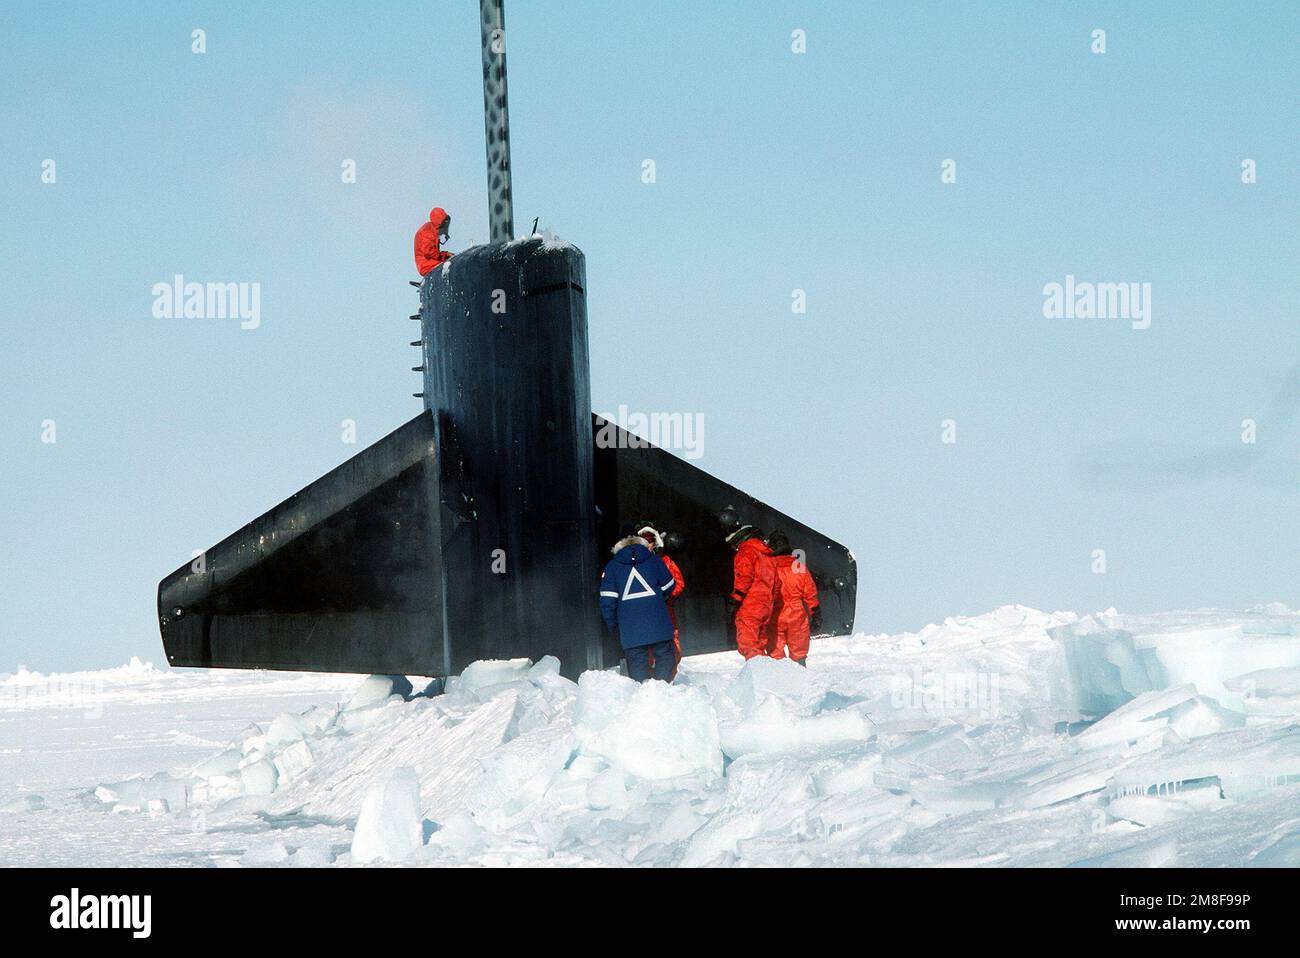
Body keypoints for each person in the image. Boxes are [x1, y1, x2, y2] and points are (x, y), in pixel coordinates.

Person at [599, 530, 679, 682]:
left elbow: (608, 601)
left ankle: (643, 695)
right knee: (665, 656)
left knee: (637, 663)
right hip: (658, 620)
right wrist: (657, 597)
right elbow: (670, 585)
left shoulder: (612, 566)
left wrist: (613, 625)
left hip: (630, 626)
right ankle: (662, 691)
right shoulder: (654, 559)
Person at [636, 523, 685, 679]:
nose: (647, 544)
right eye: (643, 540)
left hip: (663, 611)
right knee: (645, 648)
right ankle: (648, 682)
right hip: (643, 612)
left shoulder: (665, 561)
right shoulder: (632, 563)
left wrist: (666, 595)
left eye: (650, 540)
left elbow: (678, 583)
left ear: (655, 542)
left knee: (671, 647)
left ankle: (667, 680)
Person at [764, 531, 821, 666]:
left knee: (775, 653)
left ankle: (780, 681)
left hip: (775, 616)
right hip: (796, 614)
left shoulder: (768, 568)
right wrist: (816, 614)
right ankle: (800, 678)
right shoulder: (799, 566)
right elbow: (810, 593)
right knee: (799, 653)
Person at [726, 524, 776, 660]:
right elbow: (777, 582)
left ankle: (759, 676)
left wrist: (735, 599)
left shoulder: (746, 552)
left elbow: (745, 577)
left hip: (751, 605)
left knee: (748, 644)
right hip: (766, 605)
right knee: (759, 643)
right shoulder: (767, 554)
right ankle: (766, 675)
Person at [414, 207, 453, 276]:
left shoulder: (432, 230)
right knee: (450, 266)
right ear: (439, 222)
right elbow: (429, 252)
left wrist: (445, 255)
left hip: (431, 263)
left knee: (448, 264)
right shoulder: (427, 232)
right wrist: (445, 255)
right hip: (426, 265)